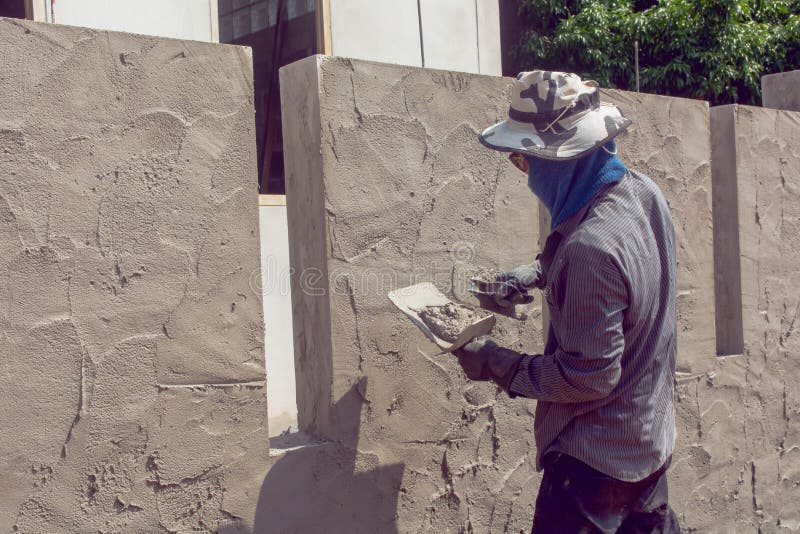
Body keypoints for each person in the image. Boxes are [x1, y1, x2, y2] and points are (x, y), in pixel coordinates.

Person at [455, 70, 680, 533]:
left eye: (522, 160)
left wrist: (497, 364)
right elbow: (617, 269)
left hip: (593, 476)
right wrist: (538, 272)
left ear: (557, 158)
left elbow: (589, 376)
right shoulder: (641, 193)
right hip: (648, 447)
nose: (524, 173)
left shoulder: (589, 252)